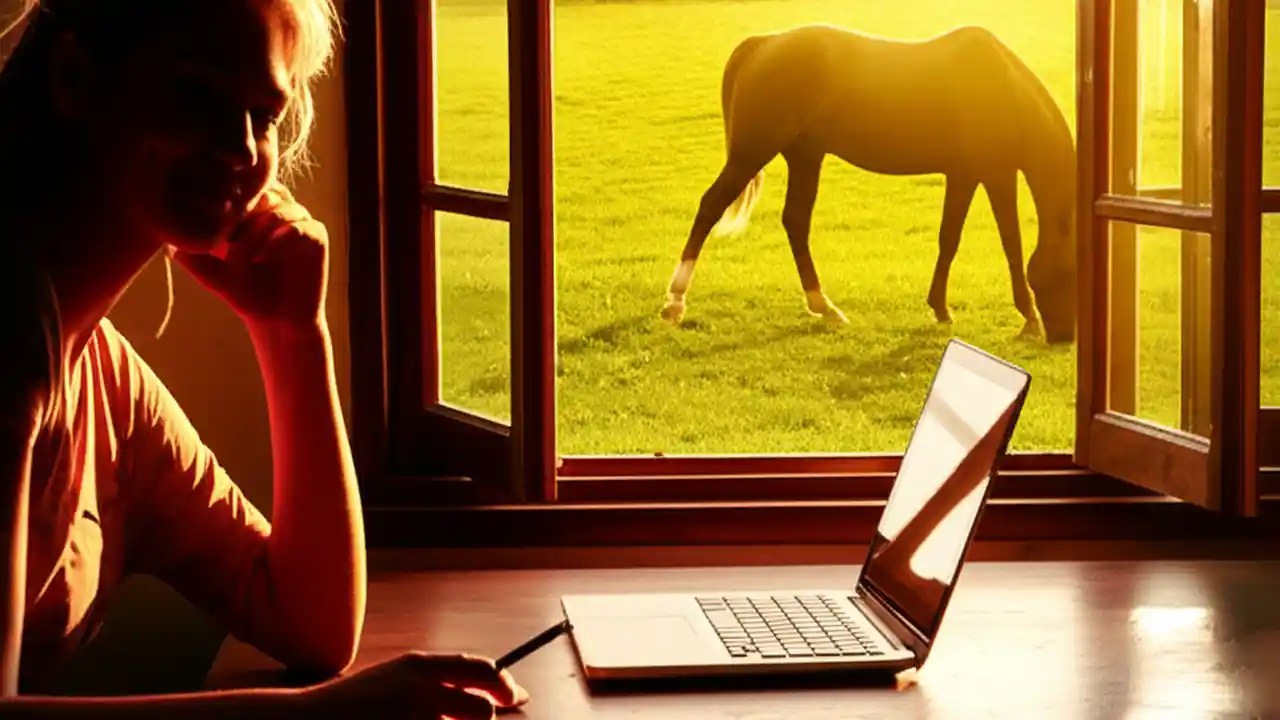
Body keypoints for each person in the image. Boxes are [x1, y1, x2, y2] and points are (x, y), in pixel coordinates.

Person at [0, 0, 528, 717]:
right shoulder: (13, 327)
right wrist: (323, 714)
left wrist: (292, 334)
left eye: (264, 115)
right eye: (197, 96)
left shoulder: (101, 375)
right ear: (74, 77)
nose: (243, 150)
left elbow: (310, 620)